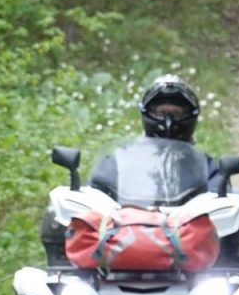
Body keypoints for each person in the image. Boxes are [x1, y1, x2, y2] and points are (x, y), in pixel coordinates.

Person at [90, 74, 231, 204]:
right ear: (147, 114)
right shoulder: (121, 160)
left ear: (190, 116)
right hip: (128, 228)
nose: (168, 121)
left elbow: (220, 202)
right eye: (161, 113)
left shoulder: (207, 166)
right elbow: (95, 193)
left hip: (186, 229)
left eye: (176, 113)